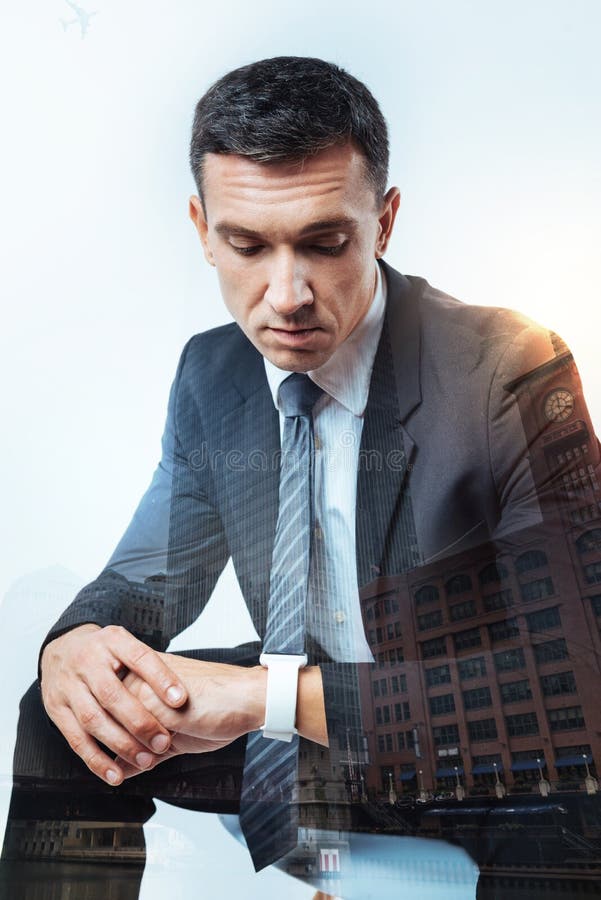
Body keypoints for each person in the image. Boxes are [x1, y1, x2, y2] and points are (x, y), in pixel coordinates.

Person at [3, 56, 600, 899]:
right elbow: (147, 576)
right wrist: (76, 645)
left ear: (384, 222)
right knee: (65, 717)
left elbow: (574, 680)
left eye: (326, 243)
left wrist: (261, 697)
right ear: (200, 227)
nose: (285, 296)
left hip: (476, 748)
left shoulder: (507, 365)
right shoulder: (211, 373)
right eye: (246, 245)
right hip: (307, 746)